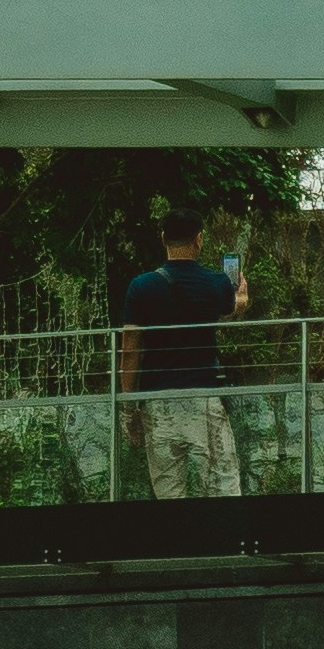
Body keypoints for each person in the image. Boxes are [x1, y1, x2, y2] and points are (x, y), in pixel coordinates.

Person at [114, 214, 250, 501]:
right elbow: (233, 307)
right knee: (224, 486)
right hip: (204, 400)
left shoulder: (141, 287)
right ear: (199, 240)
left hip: (158, 404)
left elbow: (131, 351)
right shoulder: (216, 283)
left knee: (169, 493)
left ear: (163, 238)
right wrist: (242, 299)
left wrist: (129, 408)